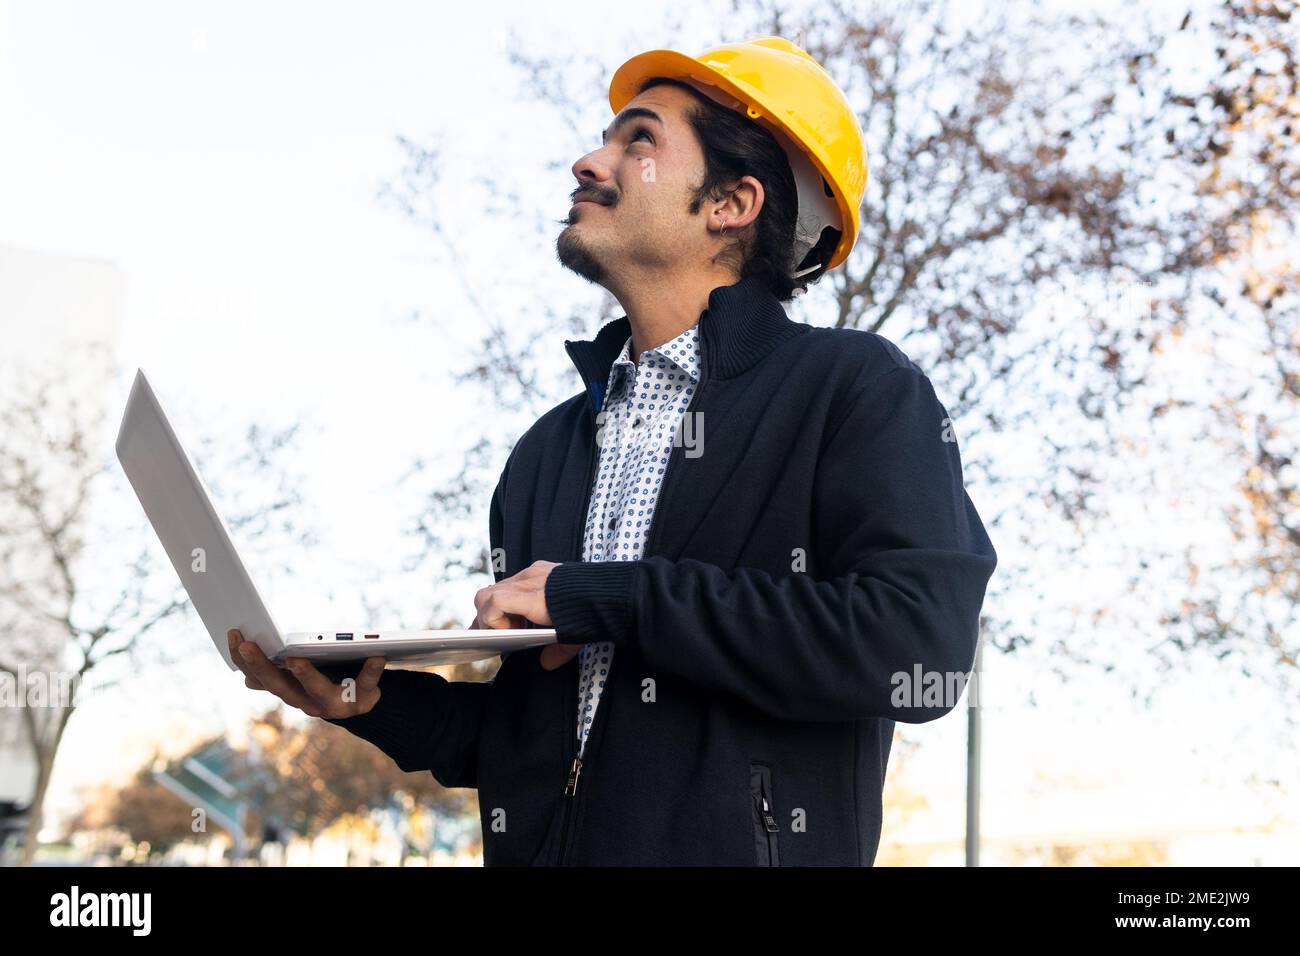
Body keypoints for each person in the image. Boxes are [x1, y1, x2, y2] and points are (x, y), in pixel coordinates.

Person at [229, 36, 998, 866]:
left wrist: (614, 599)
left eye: (640, 140)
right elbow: (528, 750)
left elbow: (919, 647)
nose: (589, 160)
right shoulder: (547, 450)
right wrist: (370, 703)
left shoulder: (854, 390)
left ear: (731, 203)